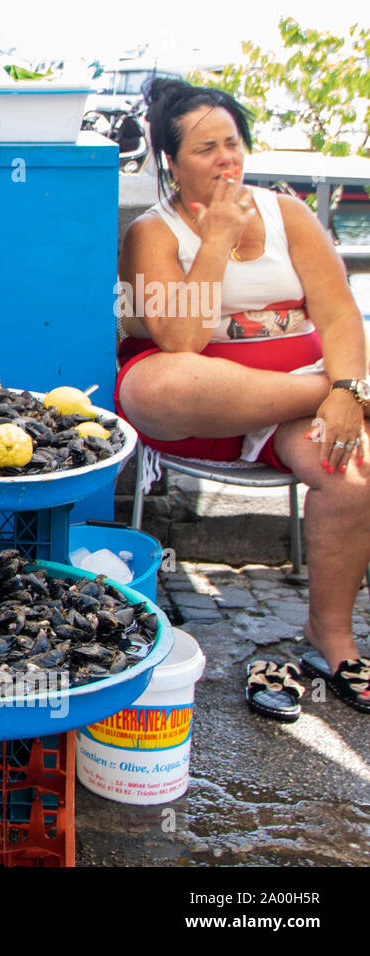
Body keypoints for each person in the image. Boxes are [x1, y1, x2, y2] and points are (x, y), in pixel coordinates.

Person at [115, 76, 370, 721]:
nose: (226, 158)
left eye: (232, 142)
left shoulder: (290, 215)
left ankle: (330, 636)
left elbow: (339, 316)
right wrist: (220, 241)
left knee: (355, 474)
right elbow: (180, 335)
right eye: (206, 149)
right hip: (212, 409)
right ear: (171, 161)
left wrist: (347, 389)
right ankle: (325, 397)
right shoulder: (155, 231)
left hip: (295, 412)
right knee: (155, 381)